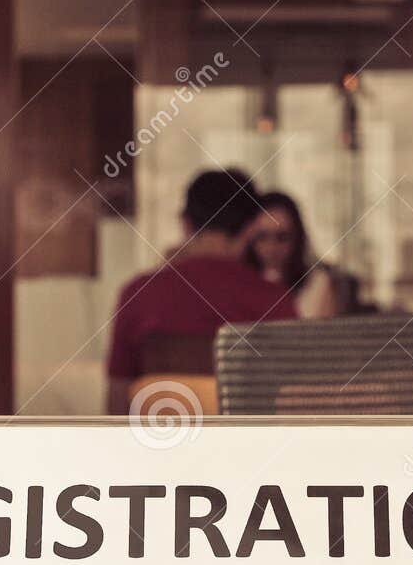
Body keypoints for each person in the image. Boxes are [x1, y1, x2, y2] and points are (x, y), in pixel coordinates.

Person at [105, 169, 296, 413]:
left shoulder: (137, 294)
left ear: (185, 222)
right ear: (250, 228)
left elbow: (116, 407)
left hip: (159, 447)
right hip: (246, 448)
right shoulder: (275, 301)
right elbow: (289, 407)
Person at [246, 191, 340, 319]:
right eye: (262, 237)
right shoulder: (240, 283)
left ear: (297, 238)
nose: (271, 248)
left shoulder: (318, 284)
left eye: (282, 237)